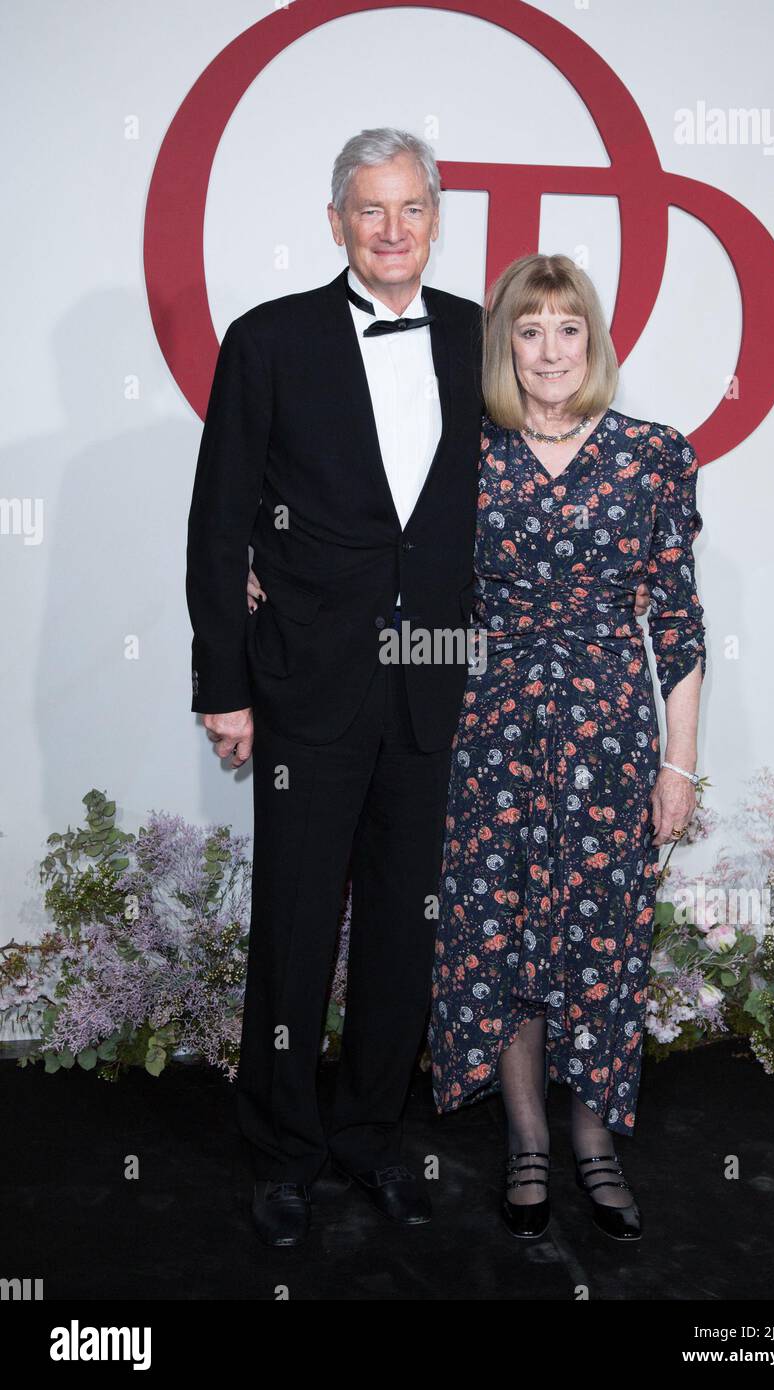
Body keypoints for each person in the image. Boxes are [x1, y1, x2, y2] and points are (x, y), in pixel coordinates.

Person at [186, 128, 487, 1247]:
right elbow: (222, 521)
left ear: (437, 216)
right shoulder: (268, 341)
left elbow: (512, 498)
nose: (393, 228)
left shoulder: (476, 334)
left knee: (406, 934)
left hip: (432, 684)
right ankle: (282, 1149)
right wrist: (226, 684)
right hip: (305, 683)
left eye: (412, 207)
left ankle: (369, 1137)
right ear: (336, 222)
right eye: (371, 209)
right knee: (298, 925)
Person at [426, 253, 707, 1242]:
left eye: (568, 327)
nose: (549, 349)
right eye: (529, 329)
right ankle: (529, 1135)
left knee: (601, 934)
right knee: (502, 930)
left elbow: (676, 622)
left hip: (611, 730)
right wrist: (267, 576)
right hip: (490, 729)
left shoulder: (653, 453)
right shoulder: (464, 453)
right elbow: (397, 574)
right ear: (505, 343)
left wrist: (678, 764)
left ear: (594, 340)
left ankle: (596, 1133)